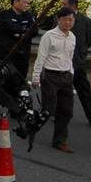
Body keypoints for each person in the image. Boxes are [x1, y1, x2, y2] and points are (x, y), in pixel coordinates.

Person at [31, 8, 76, 152]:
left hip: (66, 76)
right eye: (65, 19)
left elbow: (70, 57)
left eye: (71, 19)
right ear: (58, 20)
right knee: (48, 110)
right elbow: (41, 57)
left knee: (67, 111)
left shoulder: (72, 37)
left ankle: (59, 141)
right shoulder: (49, 36)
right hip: (51, 76)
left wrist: (71, 72)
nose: (68, 22)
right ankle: (30, 128)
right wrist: (36, 77)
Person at [63, 0, 91, 127]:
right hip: (61, 62)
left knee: (84, 91)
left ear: (72, 5)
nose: (62, 7)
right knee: (59, 90)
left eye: (64, 4)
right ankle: (56, 114)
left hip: (77, 63)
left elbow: (90, 40)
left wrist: (80, 54)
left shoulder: (86, 21)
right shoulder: (58, 18)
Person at [0, 0, 38, 82]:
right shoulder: (5, 14)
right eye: (24, 2)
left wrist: (20, 33)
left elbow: (34, 31)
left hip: (23, 56)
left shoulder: (29, 16)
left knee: (20, 81)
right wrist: (24, 32)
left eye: (27, 3)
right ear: (16, 2)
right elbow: (11, 28)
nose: (26, 5)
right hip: (8, 54)